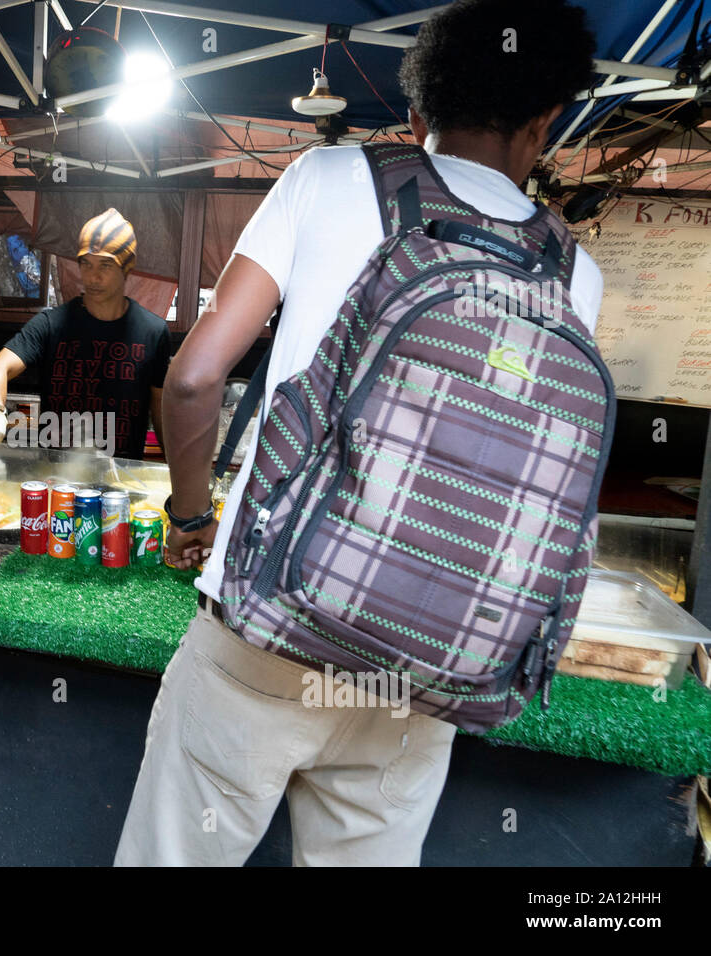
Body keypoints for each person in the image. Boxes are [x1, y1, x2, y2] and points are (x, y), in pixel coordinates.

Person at [115, 0, 603, 866]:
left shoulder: (329, 177)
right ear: (548, 121)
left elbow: (193, 378)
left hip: (268, 616)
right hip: (423, 668)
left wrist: (192, 519)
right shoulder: (576, 275)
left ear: (417, 117)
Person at [0, 208, 171, 462]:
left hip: (121, 485)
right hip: (56, 481)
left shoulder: (152, 332)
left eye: (106, 265)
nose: (93, 276)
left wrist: (176, 472)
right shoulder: (52, 324)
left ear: (127, 267)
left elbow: (162, 410)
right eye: (86, 264)